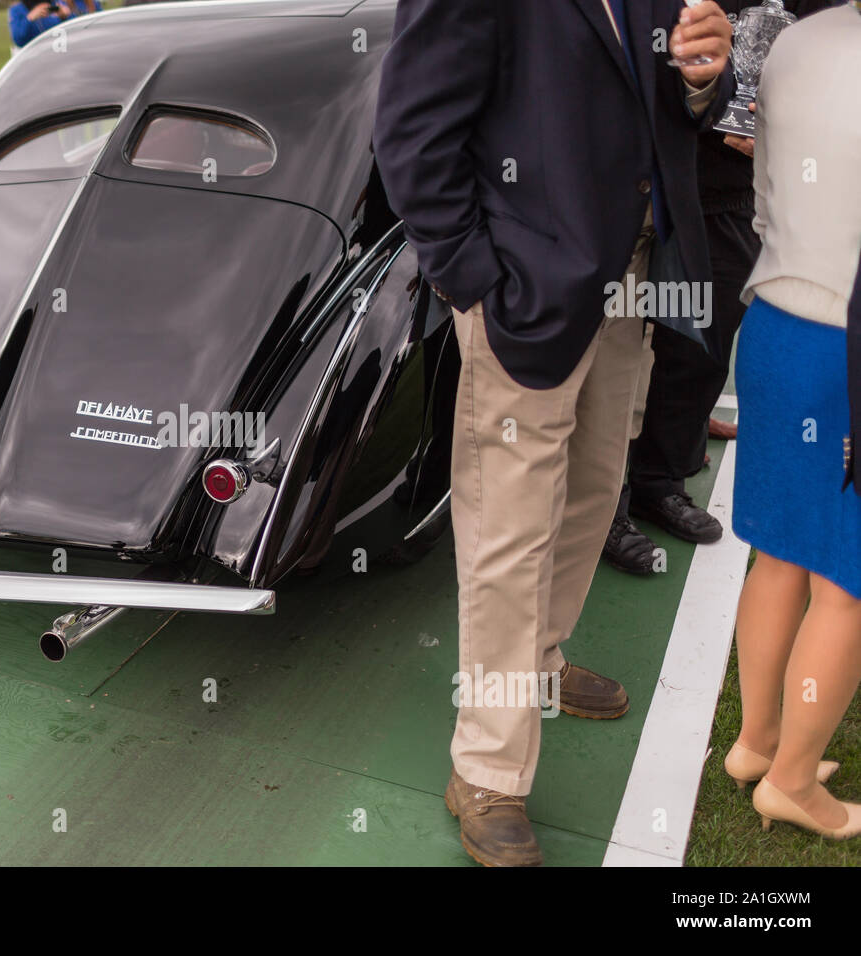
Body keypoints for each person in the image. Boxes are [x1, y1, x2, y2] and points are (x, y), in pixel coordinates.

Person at [374, 0, 733, 866]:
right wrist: (473, 282)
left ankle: (537, 663)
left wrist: (698, 83)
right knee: (510, 525)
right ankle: (489, 770)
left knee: (592, 489)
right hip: (524, 293)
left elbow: (662, 102)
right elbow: (411, 133)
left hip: (635, 279)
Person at [604, 0, 848, 575]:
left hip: (730, 185)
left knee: (702, 346)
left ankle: (659, 478)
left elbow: (825, 50)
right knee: (618, 358)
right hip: (645, 178)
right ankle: (604, 503)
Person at [726, 0, 861, 839]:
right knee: (847, 582)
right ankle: (791, 782)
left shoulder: (798, 39)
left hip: (775, 320)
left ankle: (758, 741)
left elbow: (765, 194)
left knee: (778, 553)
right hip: (846, 339)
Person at [8, 0, 100, 49]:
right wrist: (30, 18)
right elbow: (18, 40)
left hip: (59, 57)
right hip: (33, 61)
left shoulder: (57, 3)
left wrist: (64, 16)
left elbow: (77, 32)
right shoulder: (17, 10)